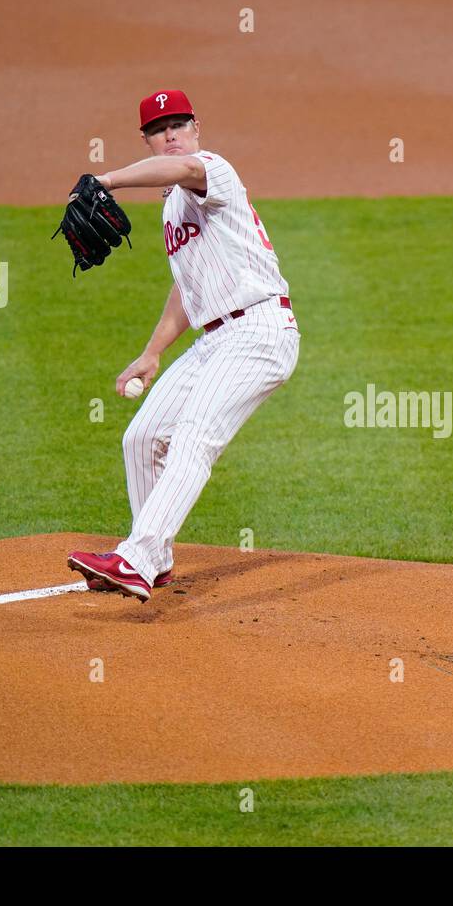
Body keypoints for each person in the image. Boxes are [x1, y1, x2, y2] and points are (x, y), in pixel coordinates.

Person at [67, 89, 300, 601]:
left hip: (259, 331)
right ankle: (159, 561)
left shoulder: (211, 169)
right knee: (143, 437)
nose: (169, 135)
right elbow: (187, 286)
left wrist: (106, 179)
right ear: (147, 138)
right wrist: (153, 352)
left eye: (177, 124)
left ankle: (138, 558)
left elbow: (179, 170)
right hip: (214, 340)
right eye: (158, 128)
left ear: (195, 128)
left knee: (194, 435)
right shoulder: (174, 207)